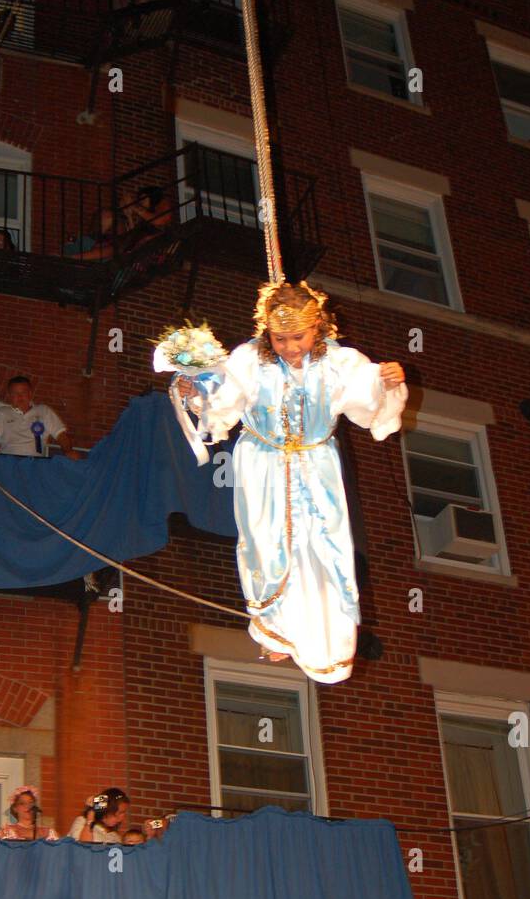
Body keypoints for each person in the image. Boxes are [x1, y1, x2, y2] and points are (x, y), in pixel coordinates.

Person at [174, 281, 407, 684]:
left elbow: (371, 403)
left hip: (317, 464)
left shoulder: (339, 363)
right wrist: (194, 386)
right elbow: (221, 401)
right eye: (280, 338)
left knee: (323, 547)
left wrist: (387, 381)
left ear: (317, 327)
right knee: (267, 544)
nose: (290, 347)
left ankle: (328, 642)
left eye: (298, 337)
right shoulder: (250, 360)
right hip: (262, 463)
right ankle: (274, 629)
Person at [0, 375, 80, 459]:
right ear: (9, 396)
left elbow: (61, 435)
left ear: (30, 394)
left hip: (34, 464)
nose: (20, 396)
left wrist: (68, 451)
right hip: (7, 461)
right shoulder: (2, 412)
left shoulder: (44, 411)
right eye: (15, 393)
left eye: (23, 393)